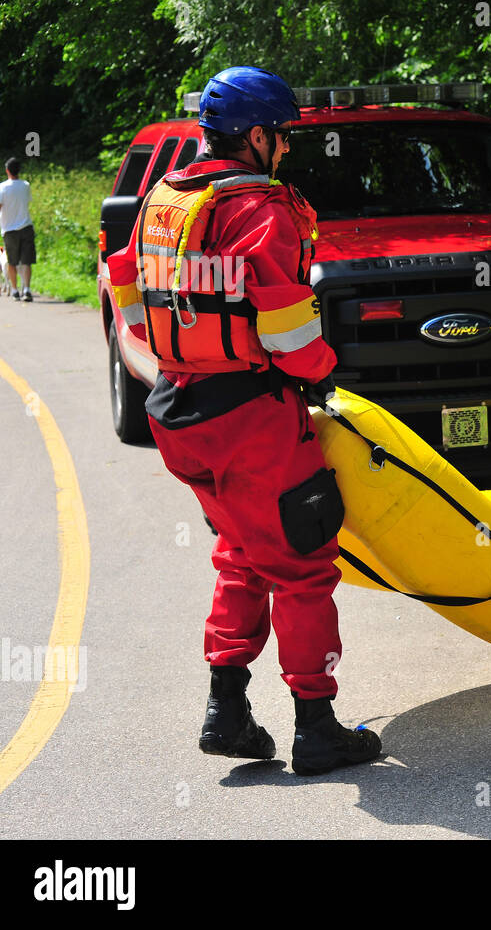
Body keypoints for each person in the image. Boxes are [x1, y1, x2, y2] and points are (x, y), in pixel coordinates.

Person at [107, 66, 381, 776]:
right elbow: (290, 336)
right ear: (257, 135)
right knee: (301, 560)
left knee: (240, 546)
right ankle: (318, 727)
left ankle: (227, 710)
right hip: (249, 417)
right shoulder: (264, 212)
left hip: (176, 411)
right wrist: (324, 374)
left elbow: (129, 299)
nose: (285, 150)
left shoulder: (162, 200)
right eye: (282, 136)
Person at [0, 157, 36, 302]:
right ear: (19, 170)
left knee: (12, 261)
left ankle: (14, 290)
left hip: (9, 230)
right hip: (26, 227)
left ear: (7, 170)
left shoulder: (1, 187)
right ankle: (26, 289)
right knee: (26, 261)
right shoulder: (25, 185)